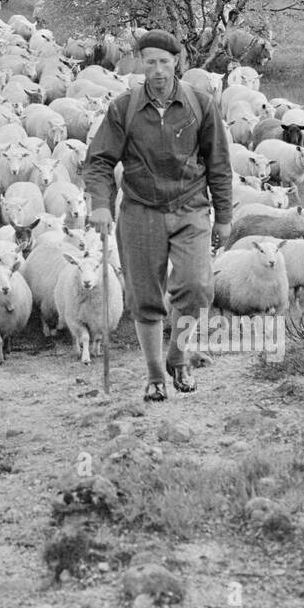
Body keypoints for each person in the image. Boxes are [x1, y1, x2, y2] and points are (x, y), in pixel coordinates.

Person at [82, 29, 233, 402]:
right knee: (144, 295)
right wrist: (100, 203)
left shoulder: (200, 104)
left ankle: (178, 357)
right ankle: (154, 375)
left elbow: (219, 163)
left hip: (190, 207)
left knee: (197, 287)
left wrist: (225, 215)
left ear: (177, 63)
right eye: (150, 62)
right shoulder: (125, 108)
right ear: (141, 64)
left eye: (165, 62)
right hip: (140, 211)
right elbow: (99, 160)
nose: (158, 70)